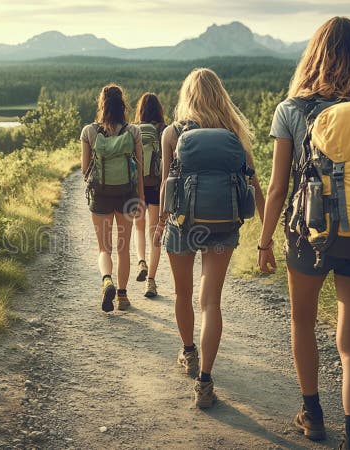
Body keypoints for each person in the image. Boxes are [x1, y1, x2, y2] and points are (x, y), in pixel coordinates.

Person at [257, 17, 350, 450]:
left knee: (302, 322)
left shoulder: (291, 110)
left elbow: (278, 187)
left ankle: (312, 414)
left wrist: (263, 242)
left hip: (307, 234)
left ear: (312, 55)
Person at [154, 68, 265, 408]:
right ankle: (205, 380)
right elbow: (253, 181)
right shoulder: (234, 132)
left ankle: (188, 353)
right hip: (223, 227)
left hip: (183, 224)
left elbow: (165, 184)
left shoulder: (173, 132)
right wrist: (268, 229)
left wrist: (160, 223)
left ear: (186, 95)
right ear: (221, 95)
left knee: (183, 293)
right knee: (211, 302)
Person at [81, 83, 145, 312]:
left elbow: (84, 169)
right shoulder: (133, 131)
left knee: (104, 248)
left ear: (102, 104)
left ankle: (107, 279)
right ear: (123, 105)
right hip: (127, 195)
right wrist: (141, 199)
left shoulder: (90, 131)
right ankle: (123, 296)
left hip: (100, 195)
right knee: (123, 248)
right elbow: (139, 169)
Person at [132, 93, 166, 298]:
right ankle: (151, 282)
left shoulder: (134, 130)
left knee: (139, 227)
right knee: (155, 233)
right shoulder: (164, 130)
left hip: (138, 186)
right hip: (157, 187)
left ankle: (141, 261)